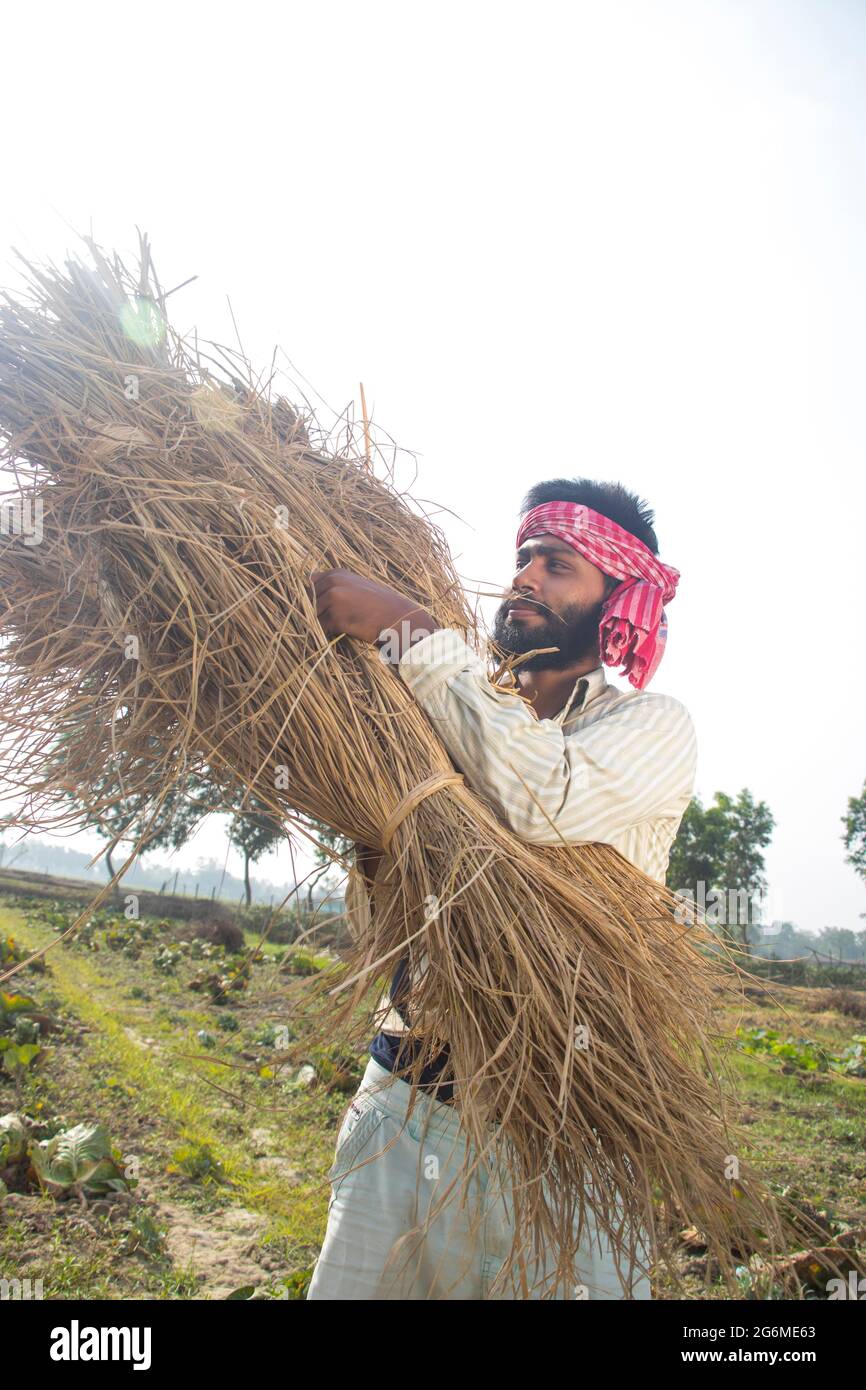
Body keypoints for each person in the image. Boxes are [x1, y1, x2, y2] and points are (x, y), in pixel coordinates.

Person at [305, 477, 697, 1300]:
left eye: (558, 566)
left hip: (563, 1146)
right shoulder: (429, 722)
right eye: (523, 560)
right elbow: (385, 919)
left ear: (618, 596)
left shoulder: (653, 729)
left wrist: (412, 632)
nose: (525, 578)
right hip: (403, 1109)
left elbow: (538, 797)